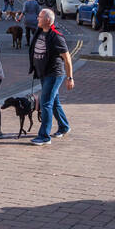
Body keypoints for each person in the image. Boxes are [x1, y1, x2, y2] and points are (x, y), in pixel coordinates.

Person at [28, 8, 74, 146]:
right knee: (53, 102)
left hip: (54, 74)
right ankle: (64, 126)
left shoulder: (57, 36)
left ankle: (44, 136)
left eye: (40, 17)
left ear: (48, 20)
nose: (37, 18)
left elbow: (67, 59)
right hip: (43, 73)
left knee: (45, 103)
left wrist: (70, 77)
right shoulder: (40, 31)